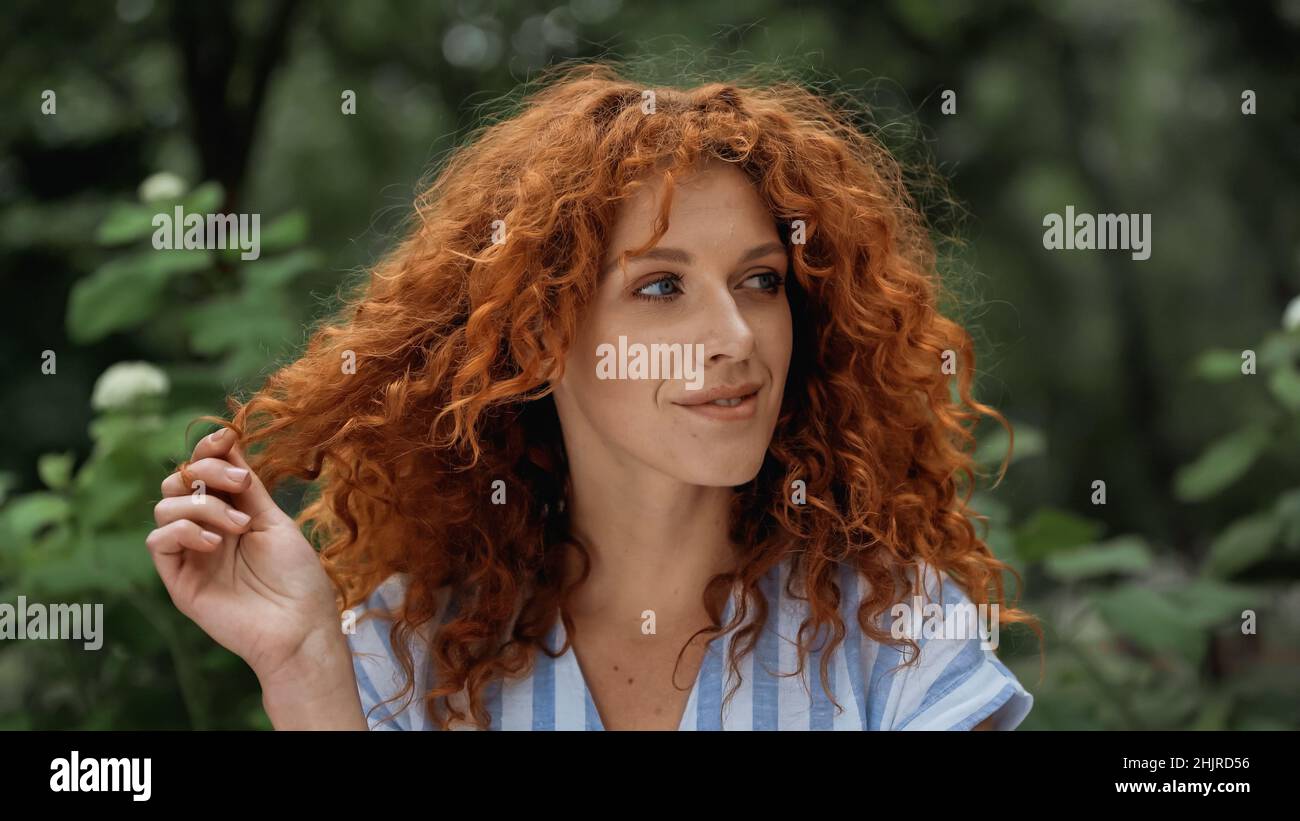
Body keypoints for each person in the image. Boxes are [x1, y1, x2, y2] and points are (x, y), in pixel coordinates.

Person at [147, 61, 1040, 731]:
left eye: (761, 282)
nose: (734, 338)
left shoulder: (894, 634)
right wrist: (306, 666)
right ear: (539, 336)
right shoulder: (406, 652)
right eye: (662, 287)